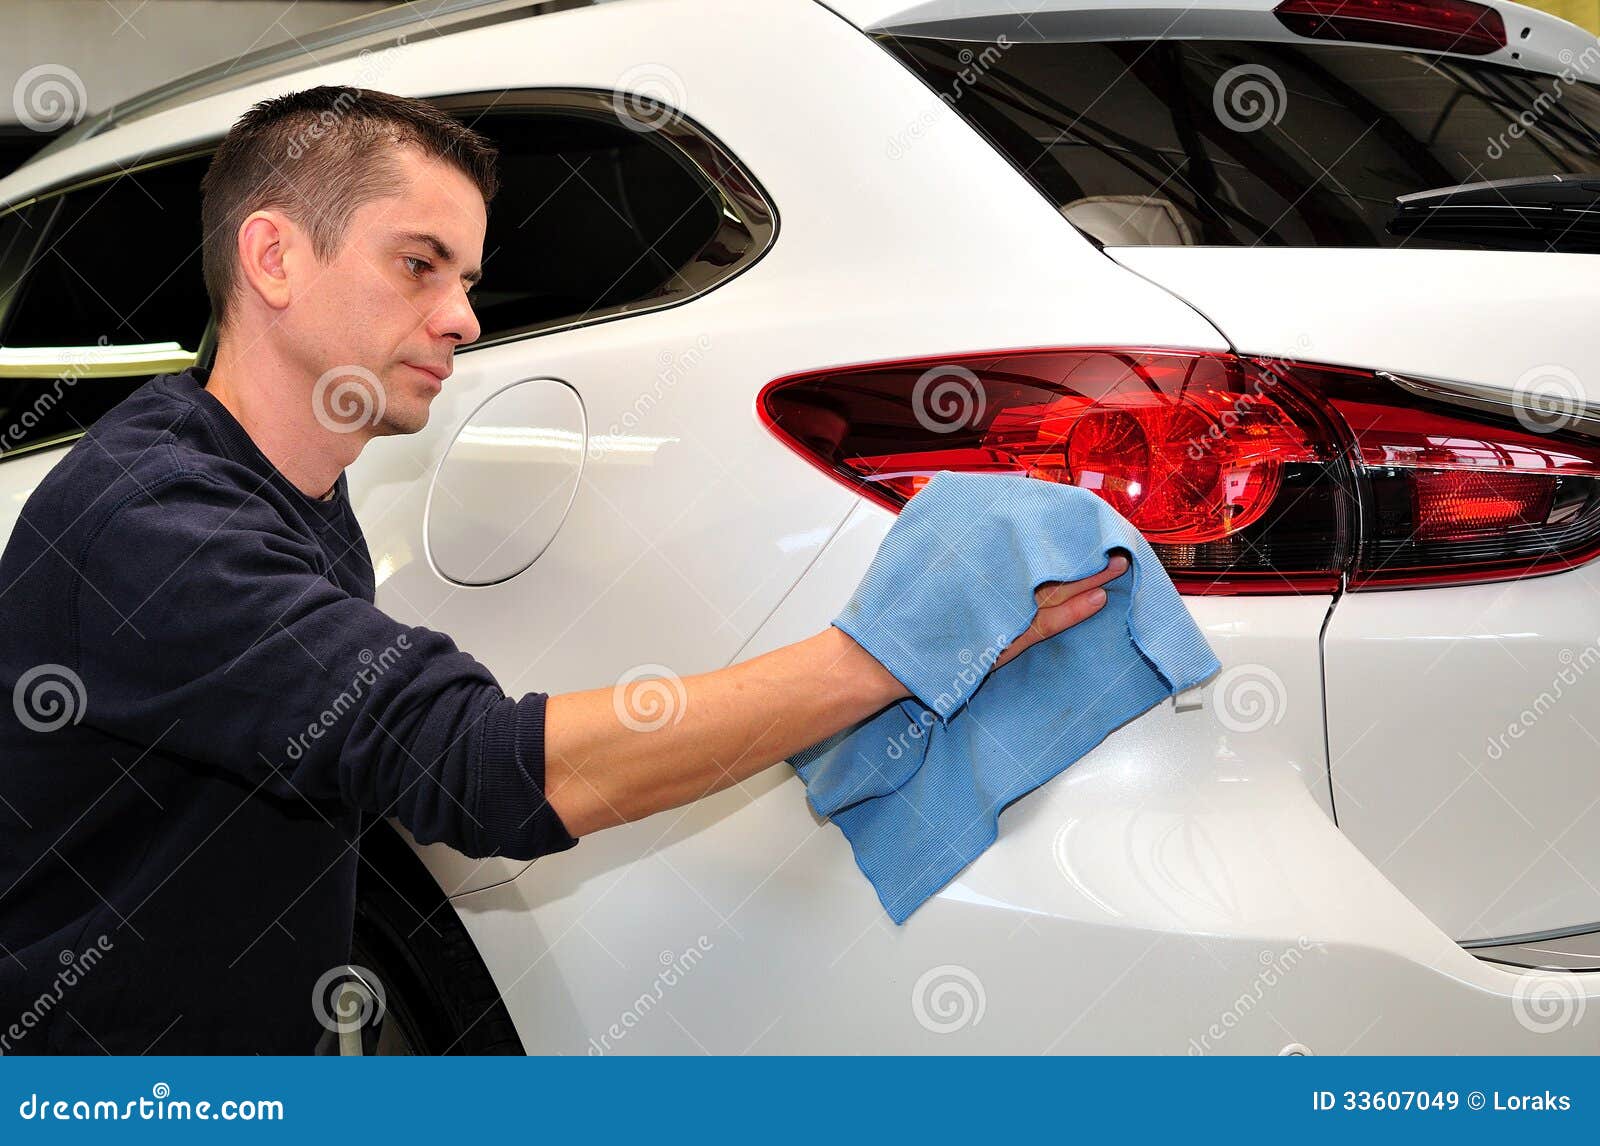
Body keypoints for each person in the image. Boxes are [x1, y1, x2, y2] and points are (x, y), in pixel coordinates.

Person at [0, 87, 1125, 1053]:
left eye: (467, 277)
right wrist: (893, 654)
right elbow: (482, 772)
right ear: (275, 255)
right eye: (418, 266)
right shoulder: (153, 522)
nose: (463, 318)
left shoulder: (291, 494)